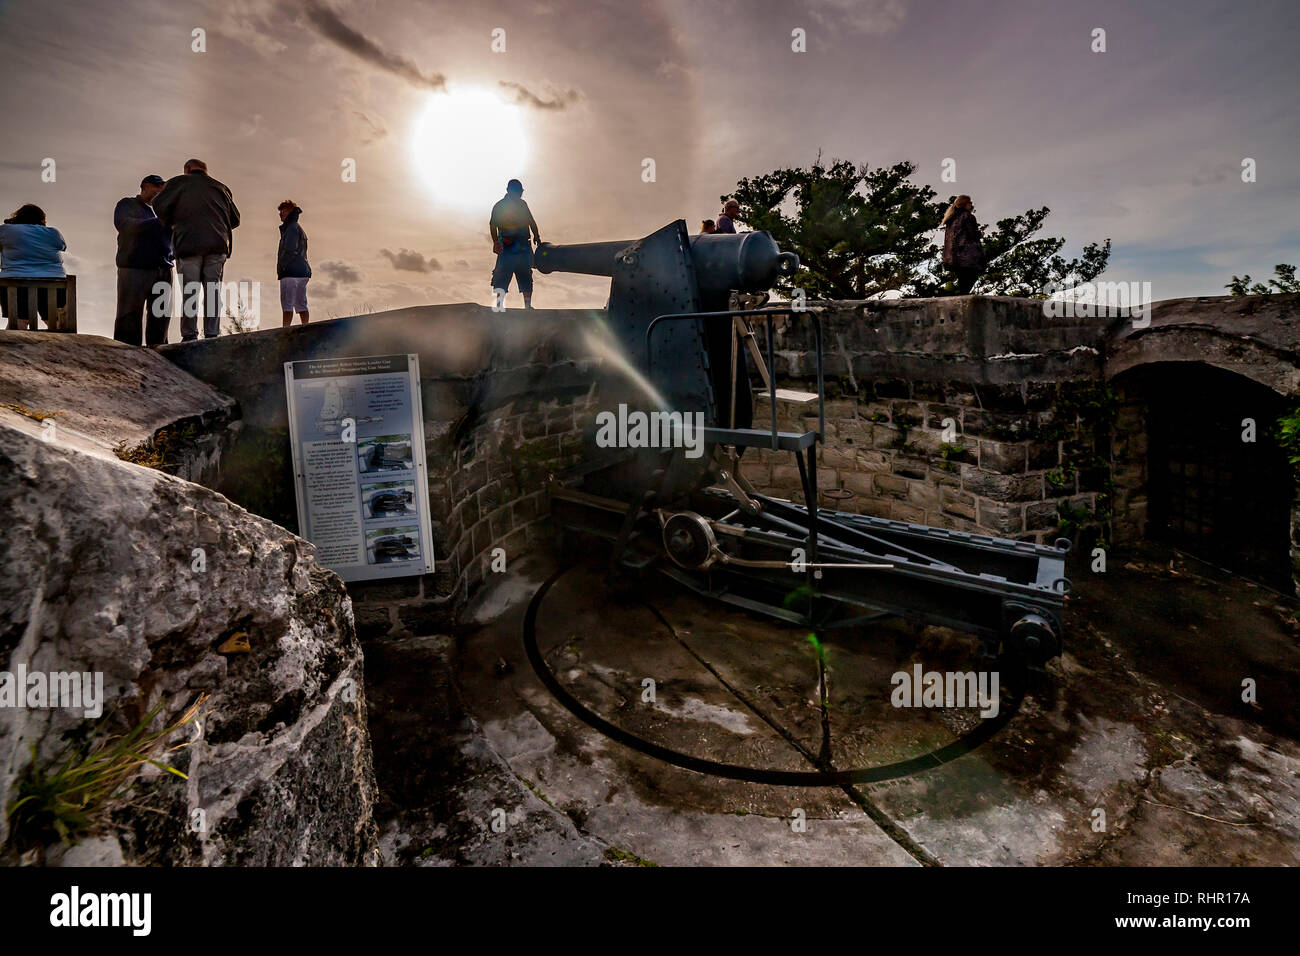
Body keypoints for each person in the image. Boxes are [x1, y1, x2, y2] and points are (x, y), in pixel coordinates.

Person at [152, 158, 240, 340]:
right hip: (217, 246)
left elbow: (158, 204)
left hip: (188, 245)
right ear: (205, 170)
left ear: (187, 169)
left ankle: (190, 335)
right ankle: (212, 335)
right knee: (213, 292)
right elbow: (236, 219)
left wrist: (171, 222)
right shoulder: (221, 188)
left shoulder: (178, 182)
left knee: (190, 292)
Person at [113, 175, 174, 346]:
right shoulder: (127, 204)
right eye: (157, 187)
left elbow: (175, 236)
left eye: (163, 189)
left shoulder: (166, 212)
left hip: (163, 269)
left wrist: (171, 255)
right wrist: (158, 222)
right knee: (129, 315)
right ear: (144, 187)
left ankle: (160, 355)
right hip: (134, 268)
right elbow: (125, 226)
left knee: (161, 316)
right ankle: (126, 355)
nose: (160, 192)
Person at [0, 204, 67, 331]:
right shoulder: (53, 233)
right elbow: (62, 246)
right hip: (53, 281)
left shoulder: (5, 230)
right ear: (42, 220)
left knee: (19, 321)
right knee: (54, 321)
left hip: (15, 280)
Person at [489, 179, 541, 309]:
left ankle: (528, 305)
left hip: (523, 246)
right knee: (502, 276)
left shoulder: (522, 205)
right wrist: (496, 242)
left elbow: (531, 221)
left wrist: (537, 236)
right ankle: (499, 305)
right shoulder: (500, 206)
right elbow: (492, 225)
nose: (519, 194)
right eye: (517, 192)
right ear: (509, 191)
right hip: (506, 247)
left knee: (526, 276)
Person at [941, 194, 986, 294]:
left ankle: (958, 297)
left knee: (962, 279)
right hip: (967, 254)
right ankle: (961, 299)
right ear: (965, 204)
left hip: (953, 256)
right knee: (972, 276)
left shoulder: (950, 219)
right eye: (970, 202)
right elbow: (972, 234)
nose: (971, 204)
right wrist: (980, 234)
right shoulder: (968, 216)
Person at [276, 200, 311, 326]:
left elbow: (290, 249)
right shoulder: (298, 227)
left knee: (287, 304)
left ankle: (285, 330)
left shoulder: (291, 227)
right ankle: (305, 327)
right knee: (301, 303)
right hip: (302, 270)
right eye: (280, 211)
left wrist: (283, 266)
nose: (280, 214)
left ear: (290, 211)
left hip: (290, 271)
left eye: (283, 211)